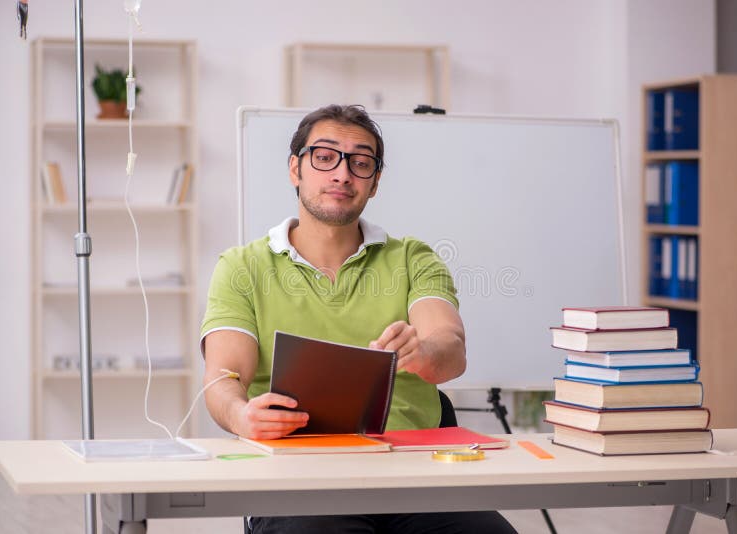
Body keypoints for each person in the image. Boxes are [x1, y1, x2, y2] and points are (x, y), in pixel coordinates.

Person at [200, 104, 516, 534]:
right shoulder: (242, 266)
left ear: (375, 182)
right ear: (295, 169)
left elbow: (451, 350)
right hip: (298, 480)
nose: (342, 174)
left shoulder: (413, 258)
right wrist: (241, 417)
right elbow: (223, 378)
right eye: (325, 157)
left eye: (361, 163)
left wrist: (422, 351)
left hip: (416, 476)